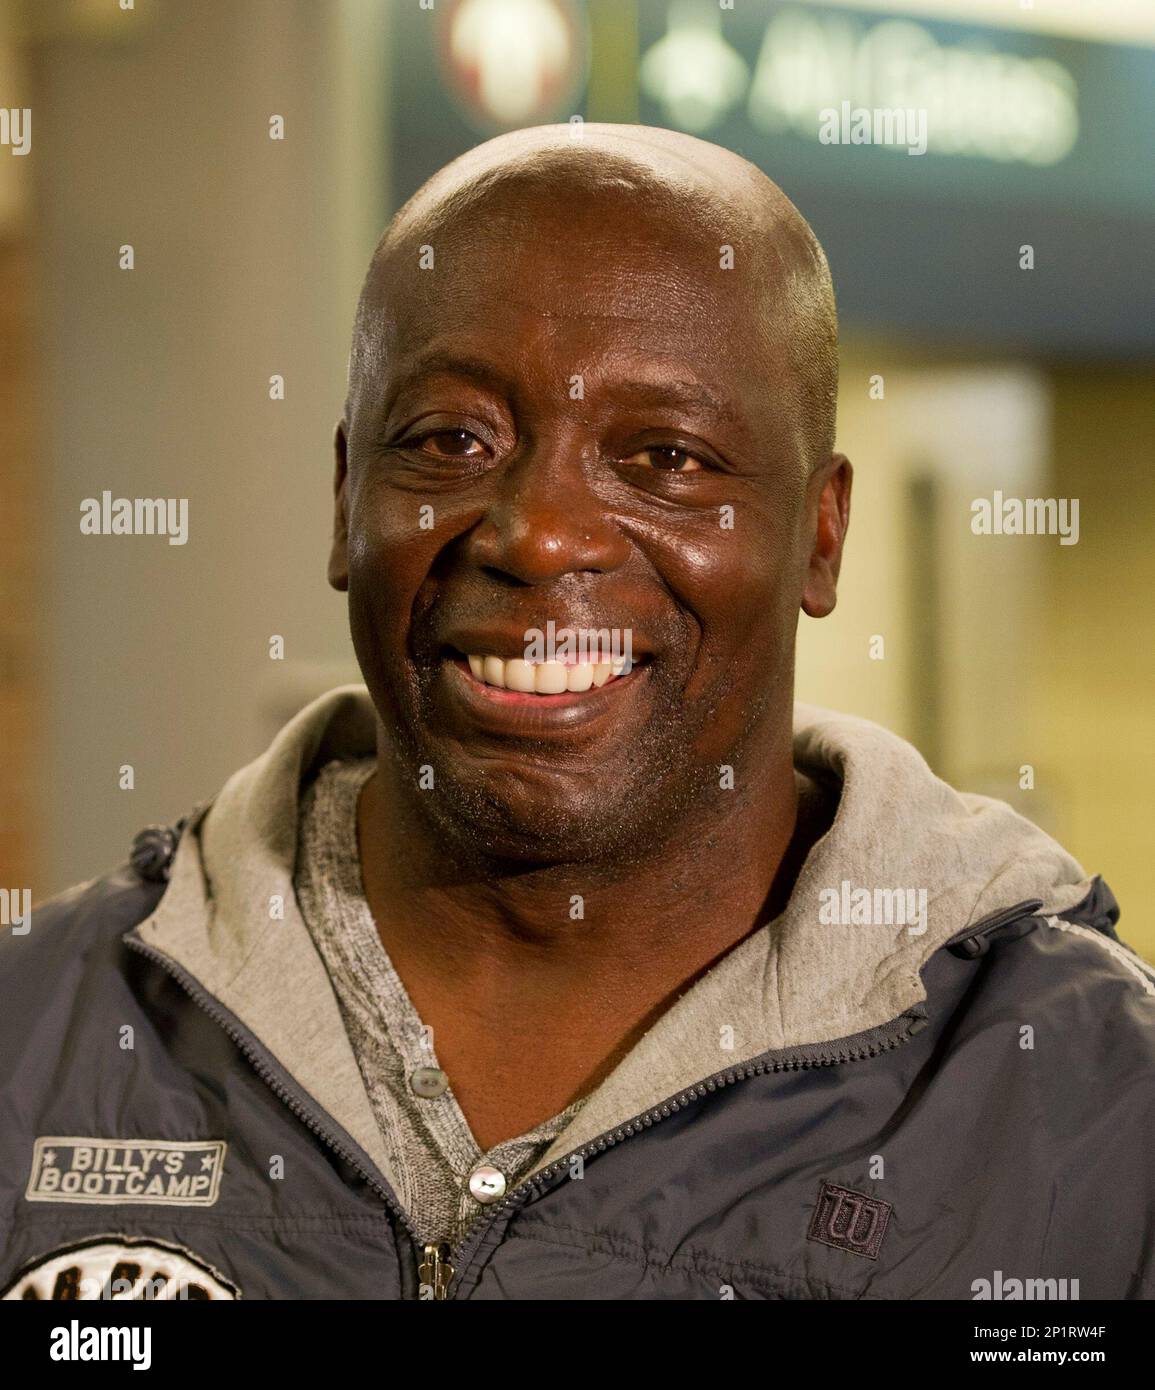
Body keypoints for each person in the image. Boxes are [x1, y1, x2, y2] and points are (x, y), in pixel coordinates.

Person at [2, 125, 1151, 1302]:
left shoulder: (1089, 1105)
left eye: (667, 456)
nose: (540, 532)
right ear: (347, 493)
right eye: (453, 439)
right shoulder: (38, 1034)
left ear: (821, 530)